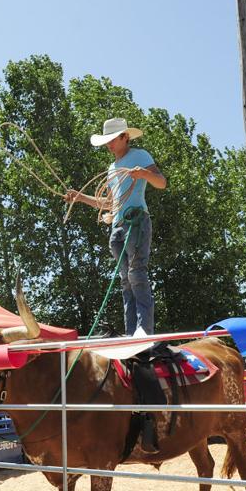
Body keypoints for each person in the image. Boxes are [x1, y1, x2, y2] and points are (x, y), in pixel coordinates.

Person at [62, 117, 166, 336]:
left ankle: (143, 331)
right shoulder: (112, 168)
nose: (108, 145)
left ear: (124, 137)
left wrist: (143, 173)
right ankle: (131, 333)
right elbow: (109, 203)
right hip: (118, 226)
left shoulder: (140, 156)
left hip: (136, 221)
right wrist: (80, 198)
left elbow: (161, 182)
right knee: (126, 281)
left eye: (112, 140)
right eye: (106, 141)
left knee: (136, 274)